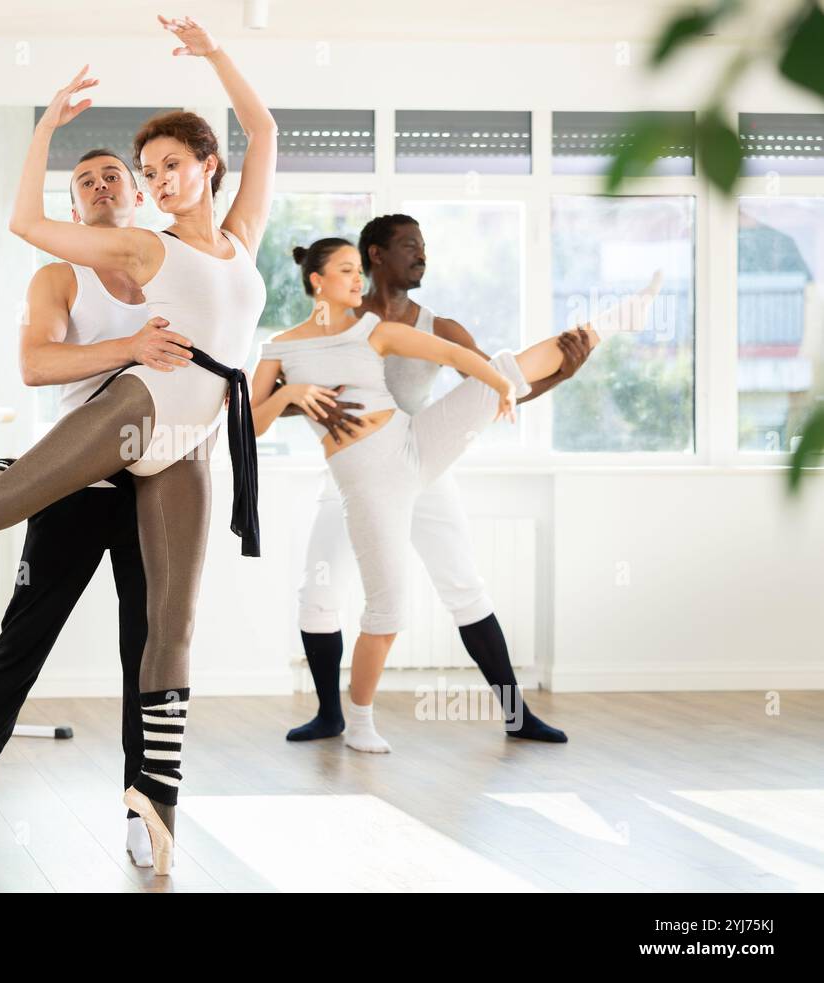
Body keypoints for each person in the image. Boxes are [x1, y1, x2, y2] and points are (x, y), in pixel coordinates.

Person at [0, 14, 277, 877]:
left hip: (191, 441)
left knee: (169, 625)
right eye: (145, 169)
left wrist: (214, 55)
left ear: (205, 167)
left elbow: (265, 129)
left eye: (165, 167)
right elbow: (24, 226)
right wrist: (45, 129)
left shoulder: (242, 237)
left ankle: (154, 801)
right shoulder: (130, 244)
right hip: (130, 415)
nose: (155, 181)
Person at [252, 236, 660, 751]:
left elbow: (449, 353)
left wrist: (501, 385)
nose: (359, 280)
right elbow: (248, 424)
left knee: (505, 373)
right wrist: (289, 392)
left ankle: (615, 320)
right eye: (348, 271)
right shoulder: (282, 349)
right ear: (317, 281)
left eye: (359, 271)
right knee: (387, 611)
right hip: (366, 481)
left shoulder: (374, 330)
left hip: (412, 444)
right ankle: (354, 721)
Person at [0, 146, 199, 867]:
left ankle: (140, 800)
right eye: (82, 181)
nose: (97, 186)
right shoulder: (59, 274)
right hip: (74, 477)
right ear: (74, 206)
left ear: (140, 193)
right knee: (27, 634)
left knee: (146, 648)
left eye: (110, 174)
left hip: (154, 477)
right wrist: (131, 346)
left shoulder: (175, 267)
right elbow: (36, 365)